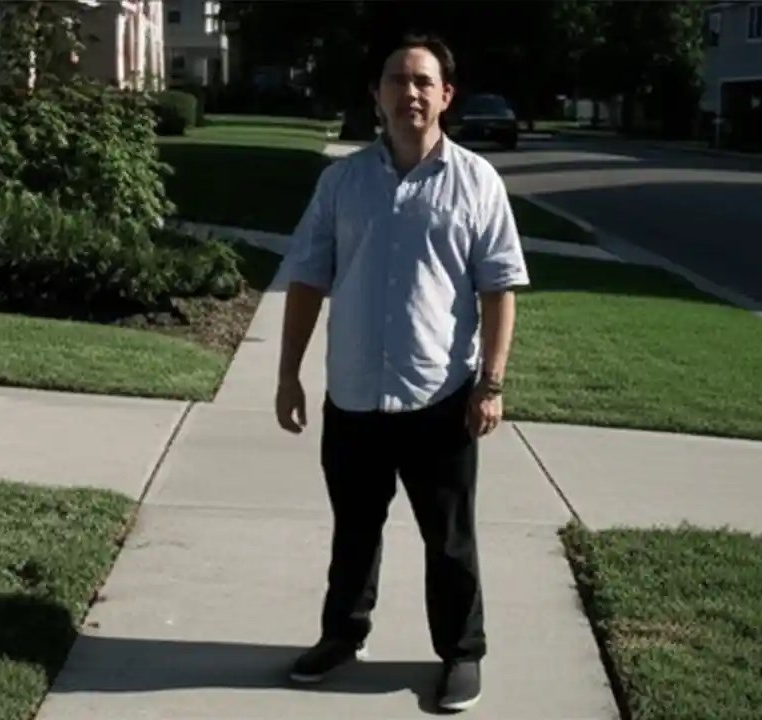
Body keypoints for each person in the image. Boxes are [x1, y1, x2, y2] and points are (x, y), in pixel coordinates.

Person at [274, 33, 529, 713]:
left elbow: (499, 290)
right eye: (396, 80)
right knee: (354, 533)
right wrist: (288, 375)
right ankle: (341, 637)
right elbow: (307, 280)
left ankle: (461, 653)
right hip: (354, 396)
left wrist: (492, 384)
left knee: (449, 541)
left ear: (446, 95)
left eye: (422, 81)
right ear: (376, 95)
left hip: (440, 399)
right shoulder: (342, 182)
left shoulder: (477, 182)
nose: (409, 92)